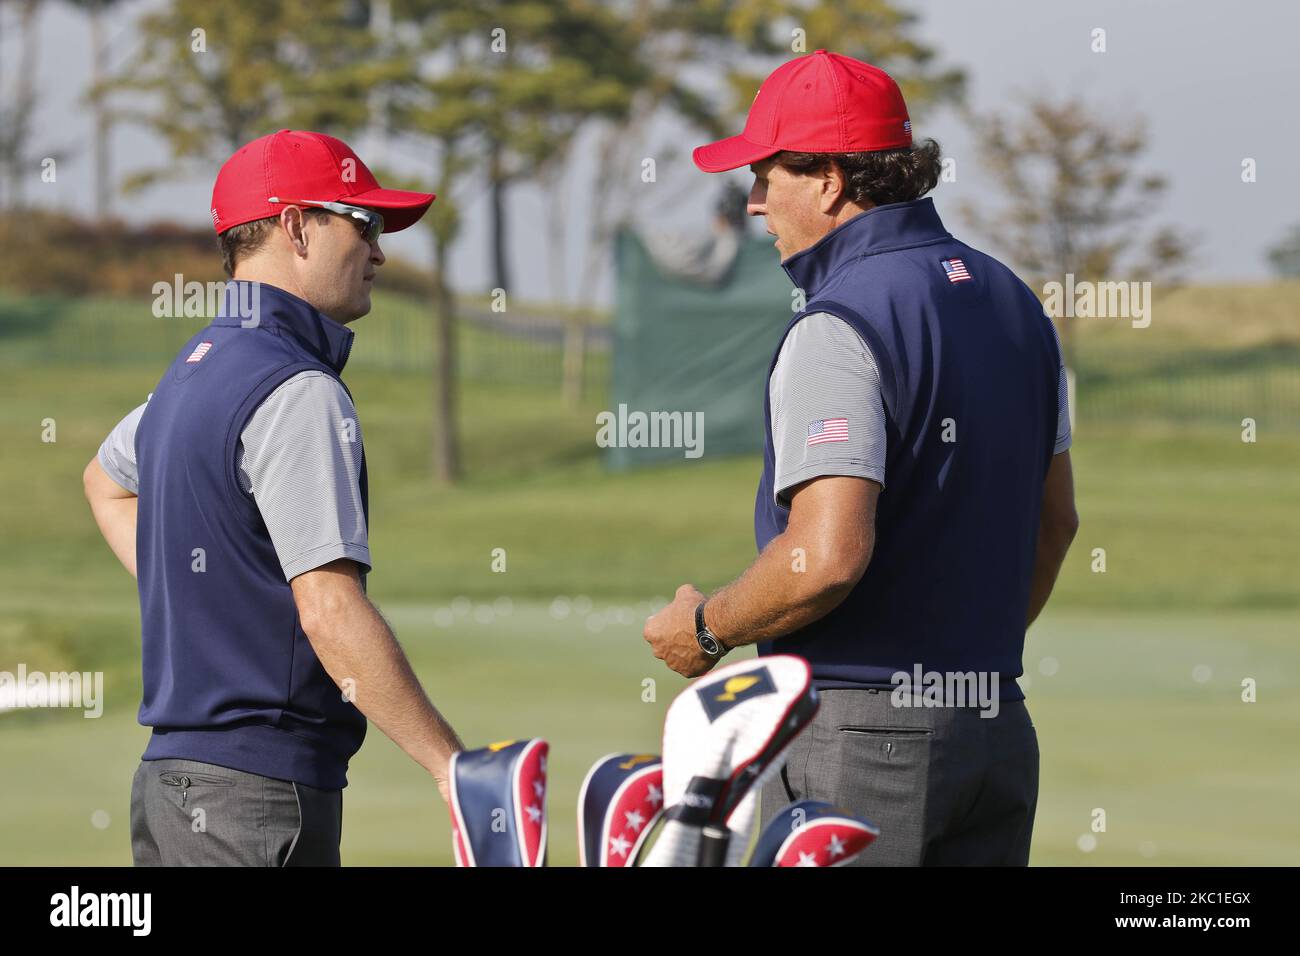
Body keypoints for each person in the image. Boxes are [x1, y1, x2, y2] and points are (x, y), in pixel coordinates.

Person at [642, 51, 1079, 865]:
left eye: (768, 174)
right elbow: (1057, 523)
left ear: (831, 182)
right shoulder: (1019, 304)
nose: (756, 201)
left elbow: (825, 557)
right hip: (996, 729)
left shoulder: (835, 324)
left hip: (860, 741)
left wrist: (704, 632)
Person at [82, 129, 464, 866]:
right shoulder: (299, 390)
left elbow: (104, 484)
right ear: (295, 225)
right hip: (256, 799)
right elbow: (329, 609)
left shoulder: (189, 375)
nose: (380, 252)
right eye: (366, 224)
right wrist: (454, 769)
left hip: (168, 787)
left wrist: (205, 592)